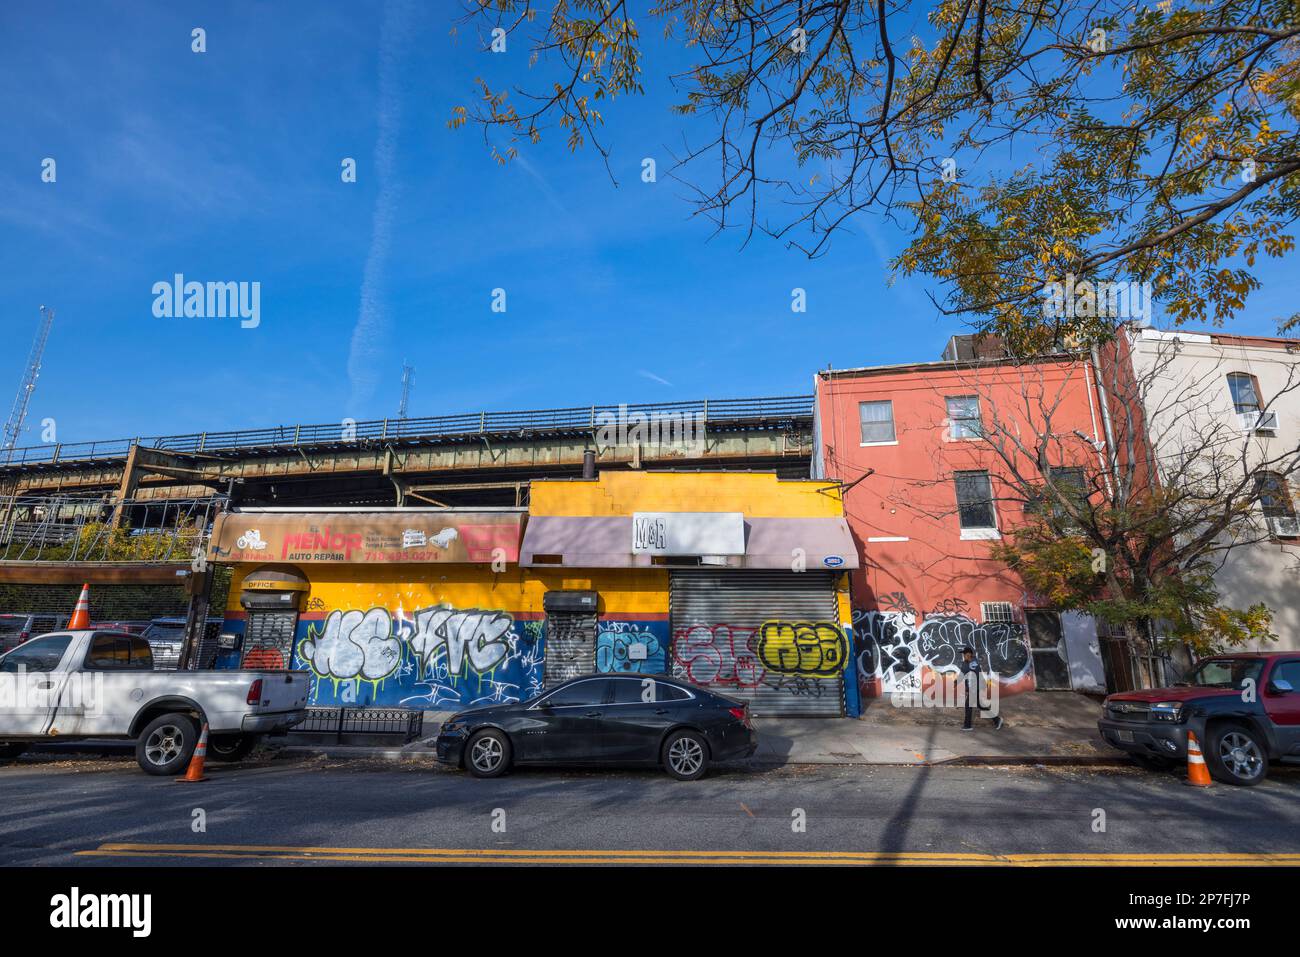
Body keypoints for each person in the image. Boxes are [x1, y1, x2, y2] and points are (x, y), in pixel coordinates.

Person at [959, 645, 1004, 731]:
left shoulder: (972, 663)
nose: (963, 655)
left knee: (968, 705)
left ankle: (967, 725)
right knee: (980, 705)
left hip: (975, 686)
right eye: (963, 654)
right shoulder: (969, 662)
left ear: (969, 654)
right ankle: (997, 720)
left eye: (965, 654)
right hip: (974, 686)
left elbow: (972, 674)